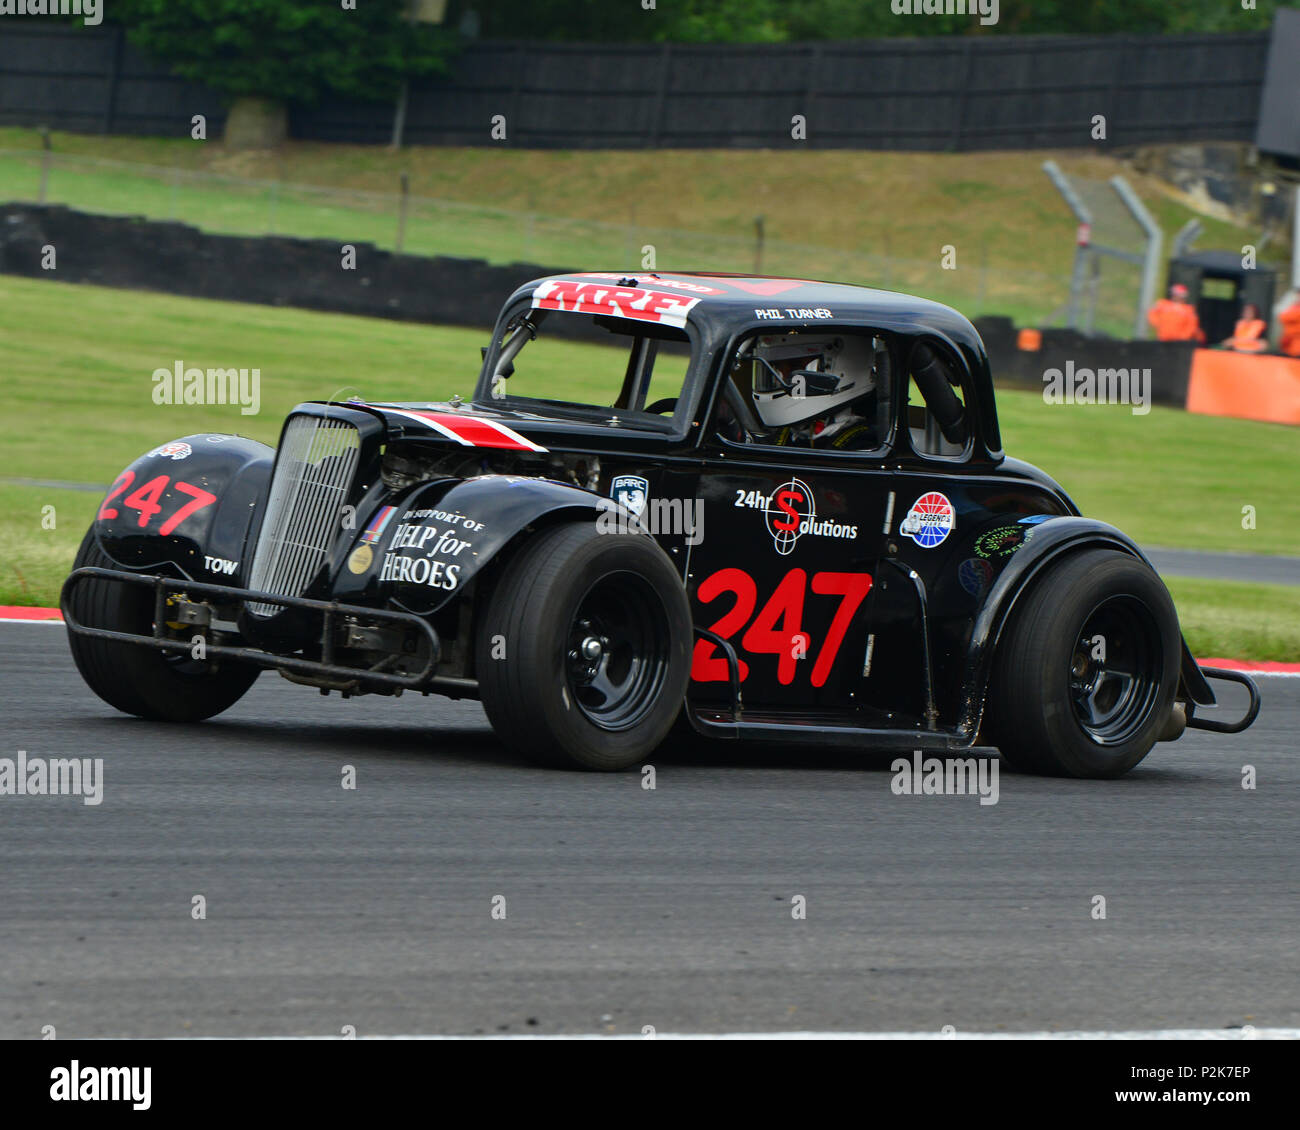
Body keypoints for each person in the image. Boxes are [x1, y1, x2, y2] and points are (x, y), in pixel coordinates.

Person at [748, 334, 880, 449]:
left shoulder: (869, 445)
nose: (784, 377)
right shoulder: (781, 436)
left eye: (796, 367)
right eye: (776, 368)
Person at [1276, 291, 1300, 358]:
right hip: (1287, 342)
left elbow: (1286, 316)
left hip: (1297, 344)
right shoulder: (1293, 307)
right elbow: (1282, 317)